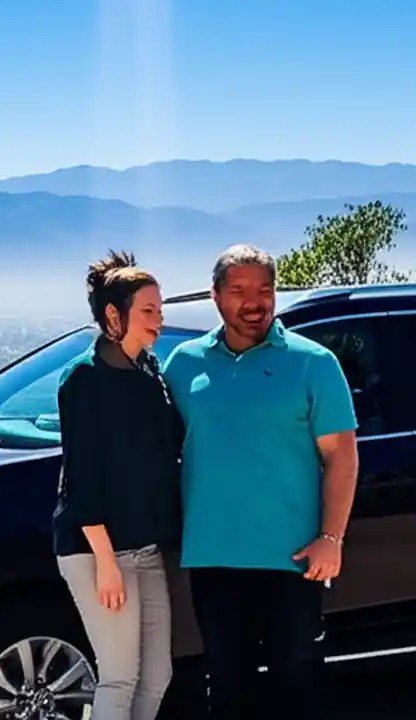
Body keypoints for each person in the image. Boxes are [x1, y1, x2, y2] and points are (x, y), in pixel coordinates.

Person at [161, 244, 359, 720]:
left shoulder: (314, 363)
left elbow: (342, 457)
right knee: (229, 690)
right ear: (216, 297)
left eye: (265, 290)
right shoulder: (184, 365)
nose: (255, 302)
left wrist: (331, 538)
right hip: (215, 560)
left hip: (294, 560)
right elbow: (153, 448)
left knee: (299, 688)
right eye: (239, 291)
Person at [52, 250, 185, 720]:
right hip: (97, 551)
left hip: (144, 547)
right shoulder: (84, 380)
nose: (159, 321)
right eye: (149, 311)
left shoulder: (150, 373)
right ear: (114, 315)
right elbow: (83, 478)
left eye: (160, 311)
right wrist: (106, 562)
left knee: (158, 676)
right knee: (119, 676)